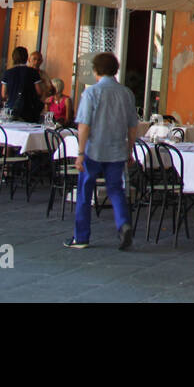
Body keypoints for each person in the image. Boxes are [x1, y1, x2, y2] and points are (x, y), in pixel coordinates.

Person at [65, 52, 138, 250]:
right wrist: (129, 150)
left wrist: (80, 153)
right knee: (116, 190)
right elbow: (133, 127)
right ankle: (123, 223)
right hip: (116, 150)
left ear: (96, 70)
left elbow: (84, 125)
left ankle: (81, 237)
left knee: (84, 191)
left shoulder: (91, 93)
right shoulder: (126, 94)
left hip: (94, 150)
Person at [1, 46, 45, 123]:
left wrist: (12, 97)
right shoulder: (33, 72)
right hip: (29, 110)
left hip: (12, 109)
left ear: (13, 58)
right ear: (26, 58)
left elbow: (4, 94)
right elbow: (39, 92)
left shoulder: (7, 73)